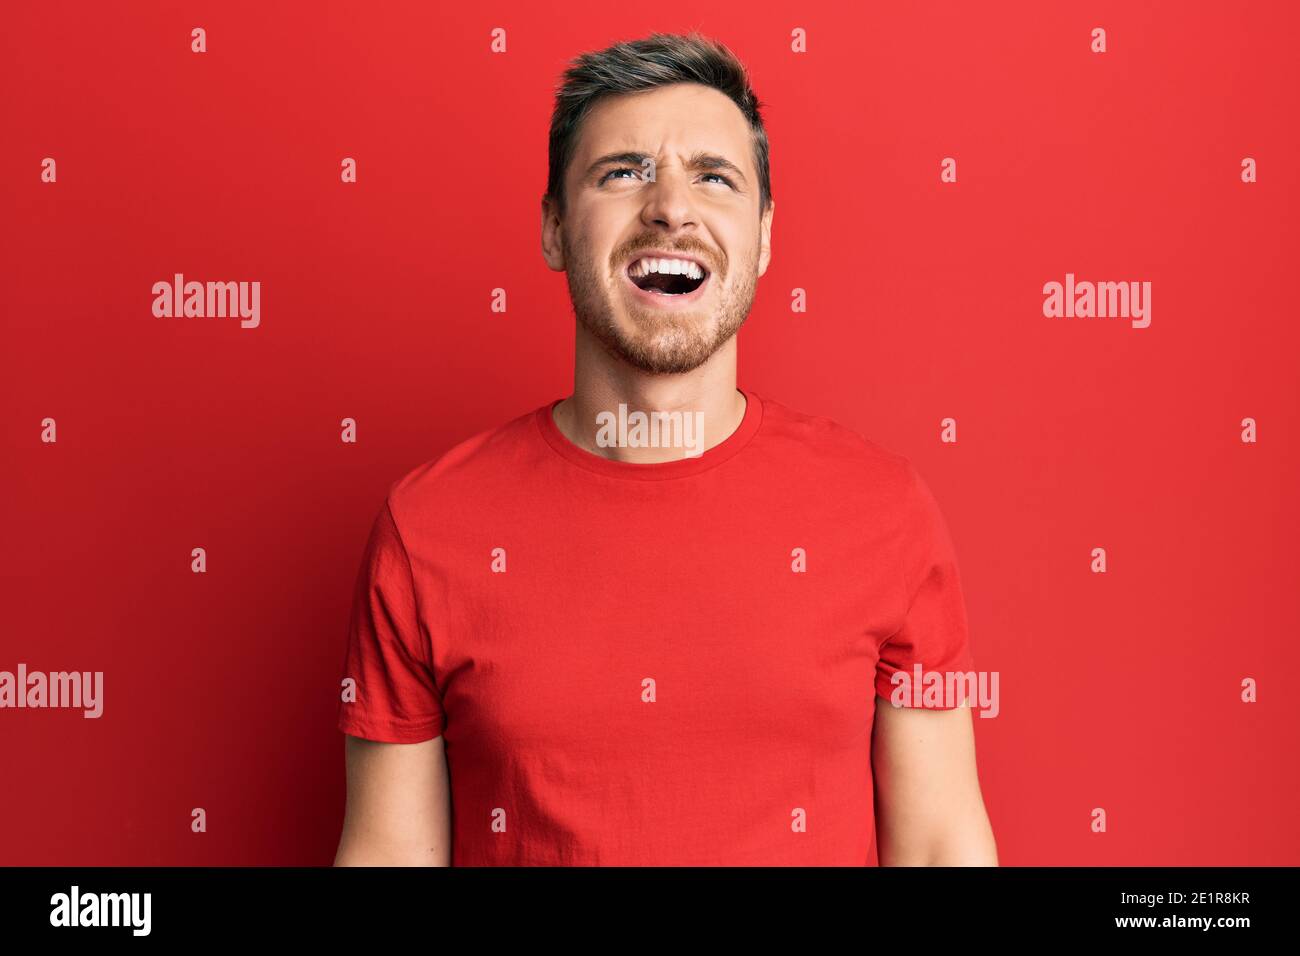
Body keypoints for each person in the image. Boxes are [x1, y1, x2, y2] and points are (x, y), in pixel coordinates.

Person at [333, 31, 997, 866]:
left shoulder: (887, 513)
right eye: (624, 173)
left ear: (761, 238)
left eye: (713, 178)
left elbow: (941, 846)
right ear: (551, 228)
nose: (670, 208)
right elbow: (389, 855)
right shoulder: (425, 528)